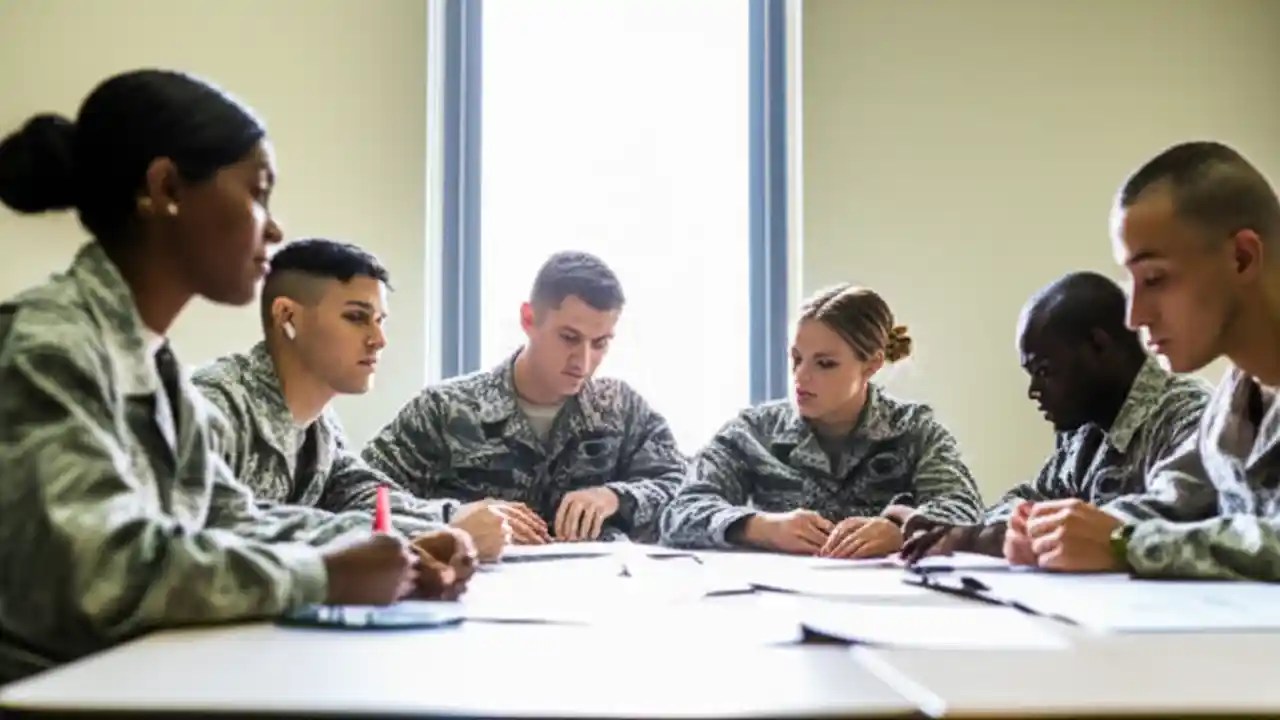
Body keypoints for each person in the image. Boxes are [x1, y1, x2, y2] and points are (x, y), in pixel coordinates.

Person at [0, 69, 465, 682]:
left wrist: (388, 550)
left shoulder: (155, 364)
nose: (273, 229)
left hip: (128, 681)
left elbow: (231, 518)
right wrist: (324, 575)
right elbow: (103, 574)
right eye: (257, 192)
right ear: (166, 188)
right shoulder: (49, 346)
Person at [1021, 141, 1280, 580]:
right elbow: (1176, 500)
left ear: (1242, 257)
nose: (1135, 315)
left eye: (1155, 279)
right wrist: (1057, 535)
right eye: (1131, 281)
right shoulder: (1233, 405)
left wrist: (1128, 545)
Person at [193, 238, 507, 561]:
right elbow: (224, 527)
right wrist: (428, 538)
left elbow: (364, 494)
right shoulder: (211, 407)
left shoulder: (320, 424)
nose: (378, 340)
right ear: (287, 317)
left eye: (379, 320)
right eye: (357, 317)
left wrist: (451, 520)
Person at [362, 251, 686, 544]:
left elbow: (685, 491)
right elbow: (363, 498)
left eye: (600, 343)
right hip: (476, 598)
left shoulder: (622, 409)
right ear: (529, 319)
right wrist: (454, 520)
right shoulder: (443, 411)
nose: (583, 361)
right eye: (569, 338)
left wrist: (616, 497)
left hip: (595, 596)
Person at [899, 272, 1210, 562]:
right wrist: (975, 532)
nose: (1034, 391)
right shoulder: (1086, 430)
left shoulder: (1190, 417)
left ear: (1098, 346)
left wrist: (985, 538)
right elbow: (1029, 500)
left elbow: (1163, 518)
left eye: (1045, 371)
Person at [659, 284, 983, 557]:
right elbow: (679, 512)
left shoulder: (916, 431)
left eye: (825, 364)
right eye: (796, 359)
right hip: (777, 606)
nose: (801, 377)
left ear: (870, 366)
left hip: (886, 610)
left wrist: (901, 529)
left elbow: (965, 509)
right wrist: (760, 527)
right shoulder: (754, 432)